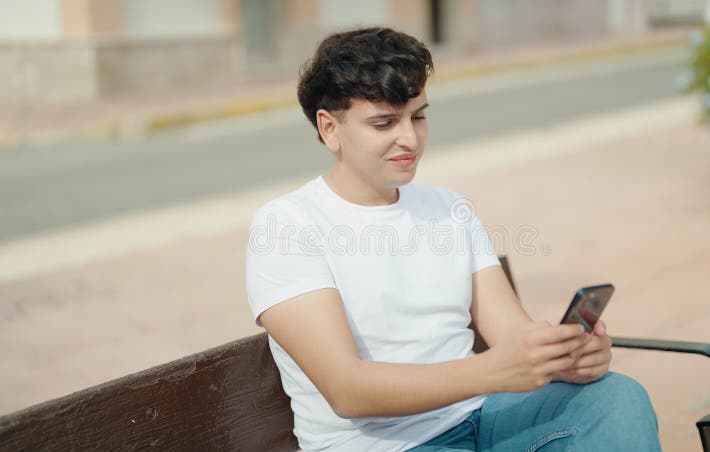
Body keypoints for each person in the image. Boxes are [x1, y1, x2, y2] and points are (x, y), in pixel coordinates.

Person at [246, 27, 661, 451]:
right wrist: (493, 372)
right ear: (329, 128)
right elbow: (347, 389)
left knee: (616, 398)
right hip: (388, 445)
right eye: (384, 122)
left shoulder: (447, 207)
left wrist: (566, 358)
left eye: (418, 116)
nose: (409, 138)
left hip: (481, 417)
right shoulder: (288, 226)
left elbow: (511, 332)